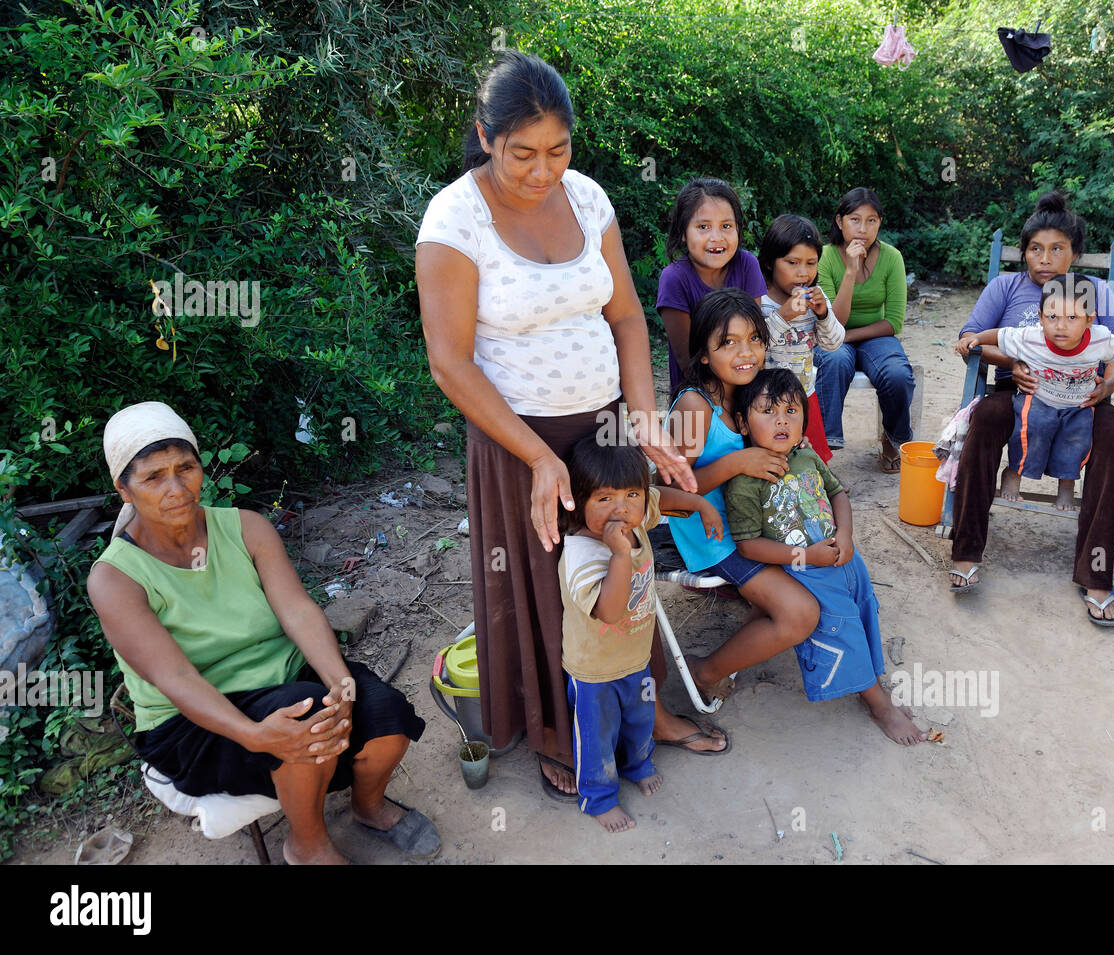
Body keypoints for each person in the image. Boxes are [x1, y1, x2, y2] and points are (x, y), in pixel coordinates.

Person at [415, 52, 724, 802]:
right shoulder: (455, 218)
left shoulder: (587, 198)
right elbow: (451, 363)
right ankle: (562, 732)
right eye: (523, 153)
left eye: (558, 150)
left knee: (628, 563)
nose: (542, 170)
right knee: (553, 589)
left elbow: (623, 315)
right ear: (486, 137)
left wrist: (644, 420)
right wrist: (536, 457)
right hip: (518, 439)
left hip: (608, 429)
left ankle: (645, 710)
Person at [86, 402, 433, 865]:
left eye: (185, 468)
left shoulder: (246, 528)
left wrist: (339, 684)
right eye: (153, 477)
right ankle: (307, 846)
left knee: (387, 716)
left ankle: (367, 808)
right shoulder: (114, 578)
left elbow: (298, 611)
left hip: (285, 677)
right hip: (192, 718)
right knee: (306, 725)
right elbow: (177, 678)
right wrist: (252, 734)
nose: (176, 488)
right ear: (123, 490)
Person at [946, 191, 1114, 627]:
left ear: (1075, 254)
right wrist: (1011, 363)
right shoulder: (1005, 287)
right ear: (1024, 252)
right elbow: (971, 336)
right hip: (1017, 392)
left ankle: (1097, 574)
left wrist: (1107, 386)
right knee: (986, 418)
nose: (1044, 258)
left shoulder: (1097, 292)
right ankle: (966, 550)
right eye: (1035, 248)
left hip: (1082, 395)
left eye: (1057, 249)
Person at [723, 369, 923, 744]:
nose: (781, 420)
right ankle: (878, 704)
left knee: (863, 613)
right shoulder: (744, 481)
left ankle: (871, 677)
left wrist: (845, 535)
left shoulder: (807, 455)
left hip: (844, 559)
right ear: (742, 422)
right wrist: (806, 556)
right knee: (840, 626)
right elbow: (748, 546)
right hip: (804, 570)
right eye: (767, 411)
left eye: (791, 411)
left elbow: (838, 494)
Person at [559, 436, 724, 832]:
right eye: (604, 499)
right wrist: (619, 555)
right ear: (579, 502)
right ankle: (597, 799)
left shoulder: (635, 514)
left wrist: (700, 504)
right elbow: (611, 611)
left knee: (639, 717)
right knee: (597, 736)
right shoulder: (582, 553)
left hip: (635, 658)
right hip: (594, 671)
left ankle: (638, 764)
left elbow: (658, 498)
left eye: (631, 495)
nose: (622, 509)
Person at [665, 289, 821, 701]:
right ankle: (705, 670)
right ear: (703, 355)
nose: (745, 352)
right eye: (728, 343)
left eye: (754, 338)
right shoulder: (695, 408)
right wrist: (738, 462)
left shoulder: (755, 392)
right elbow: (663, 494)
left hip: (756, 521)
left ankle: (759, 610)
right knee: (800, 615)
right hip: (712, 536)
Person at [956, 273, 1114, 518]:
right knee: (1031, 431)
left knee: (1076, 440)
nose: (1061, 325)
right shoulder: (1031, 337)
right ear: (1041, 318)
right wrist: (976, 338)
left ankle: (1066, 483)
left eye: (1072, 318)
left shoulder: (1100, 339)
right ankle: (1014, 472)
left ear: (1089, 320)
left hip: (1080, 404)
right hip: (1037, 399)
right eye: (1052, 317)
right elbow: (1000, 335)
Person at [813, 187, 915, 468]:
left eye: (872, 220)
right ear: (839, 221)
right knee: (832, 360)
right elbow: (834, 321)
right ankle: (824, 448)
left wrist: (847, 337)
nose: (863, 228)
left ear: (880, 224)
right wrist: (850, 271)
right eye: (855, 219)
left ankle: (892, 437)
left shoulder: (892, 257)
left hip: (874, 335)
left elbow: (893, 321)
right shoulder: (824, 257)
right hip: (834, 334)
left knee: (897, 374)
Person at [657, 177, 767, 393]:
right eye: (703, 227)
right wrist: (722, 401)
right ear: (683, 233)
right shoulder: (674, 278)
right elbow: (686, 359)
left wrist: (752, 399)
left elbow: (756, 339)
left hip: (746, 392)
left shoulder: (747, 265)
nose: (716, 237)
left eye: (726, 226)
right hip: (697, 396)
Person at [756, 214, 843, 461]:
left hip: (804, 394)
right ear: (771, 262)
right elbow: (754, 349)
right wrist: (783, 316)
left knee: (813, 461)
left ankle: (823, 489)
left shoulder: (818, 298)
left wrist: (824, 314)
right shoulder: (759, 300)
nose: (803, 273)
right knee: (775, 460)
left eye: (811, 263)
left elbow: (833, 343)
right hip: (766, 399)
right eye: (792, 263)